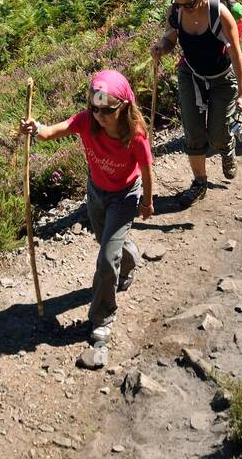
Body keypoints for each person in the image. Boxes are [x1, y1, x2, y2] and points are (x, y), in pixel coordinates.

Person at [21, 70, 152, 350]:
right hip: (95, 192)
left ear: (124, 107)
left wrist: (148, 201)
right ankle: (128, 261)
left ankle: (102, 318)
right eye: (94, 108)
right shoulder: (86, 122)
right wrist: (36, 128)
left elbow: (147, 170)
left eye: (107, 110)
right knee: (107, 242)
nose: (99, 115)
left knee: (106, 259)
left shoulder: (136, 137)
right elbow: (52, 131)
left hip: (125, 197)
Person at [151, 0, 242, 204]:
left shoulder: (219, 12)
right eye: (179, 3)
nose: (185, 8)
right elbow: (170, 39)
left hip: (221, 78)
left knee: (217, 134)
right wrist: (161, 48)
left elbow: (236, 53)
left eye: (189, 3)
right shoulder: (176, 11)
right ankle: (199, 183)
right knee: (193, 132)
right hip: (191, 74)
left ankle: (226, 148)